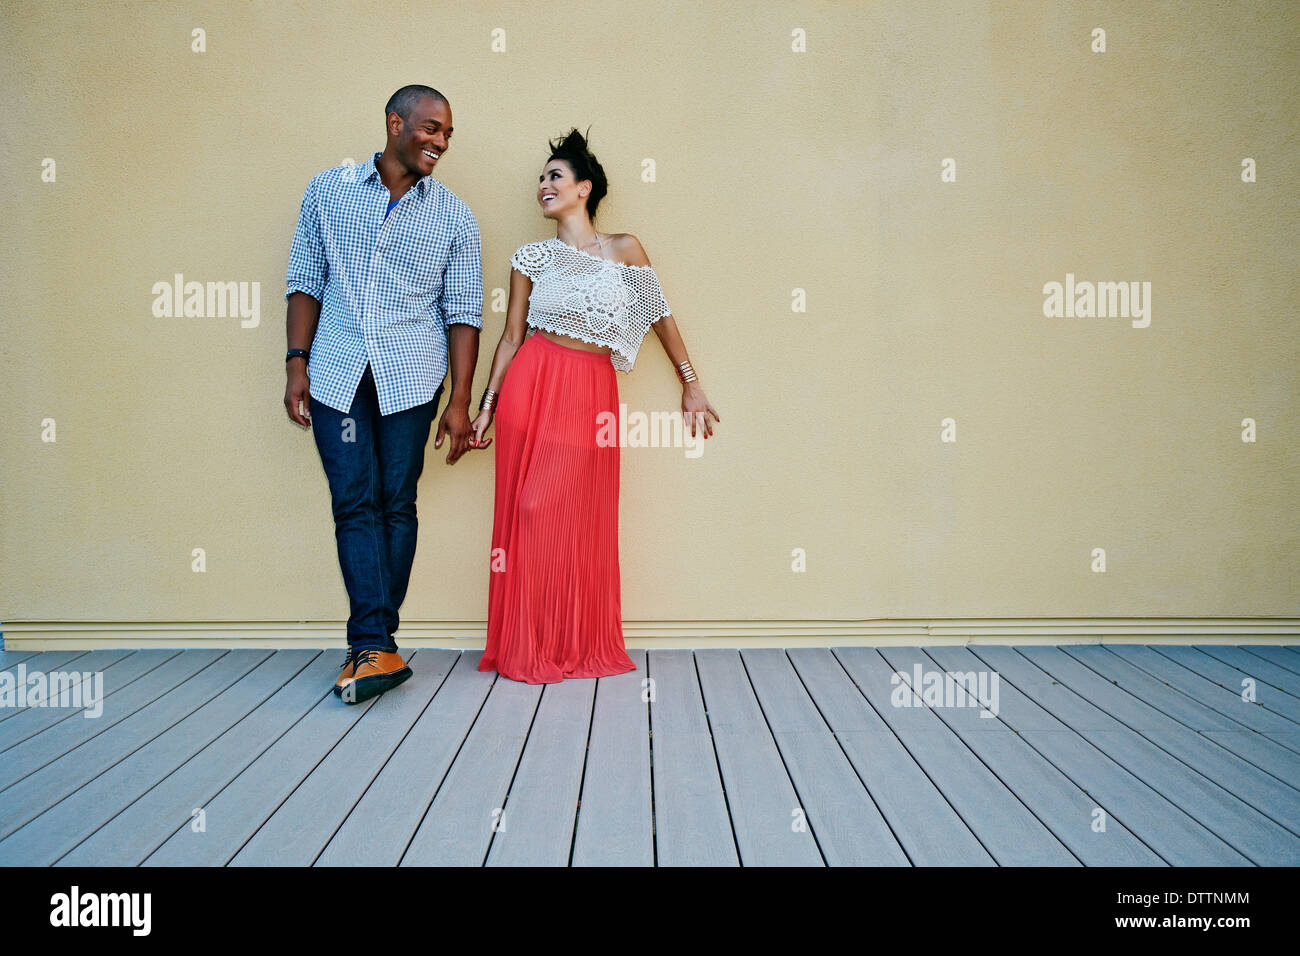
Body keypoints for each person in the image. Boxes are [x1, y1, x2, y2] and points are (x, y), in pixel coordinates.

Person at [468, 128, 720, 684]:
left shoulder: (624, 248)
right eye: (540, 179)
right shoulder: (530, 257)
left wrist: (690, 381)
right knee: (528, 510)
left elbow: (659, 316)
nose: (543, 186)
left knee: (576, 518)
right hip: (533, 378)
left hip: (589, 389)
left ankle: (573, 641)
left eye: (554, 177)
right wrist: (487, 405)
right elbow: (511, 336)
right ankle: (529, 646)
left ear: (584, 189)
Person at [282, 85, 484, 703]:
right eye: (430, 129)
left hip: (412, 378)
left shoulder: (454, 215)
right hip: (339, 371)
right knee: (354, 502)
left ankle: (373, 645)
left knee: (397, 502)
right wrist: (296, 364)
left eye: (447, 134)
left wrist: (458, 402)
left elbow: (465, 313)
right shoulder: (329, 190)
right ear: (396, 124)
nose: (440, 143)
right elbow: (304, 281)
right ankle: (376, 643)